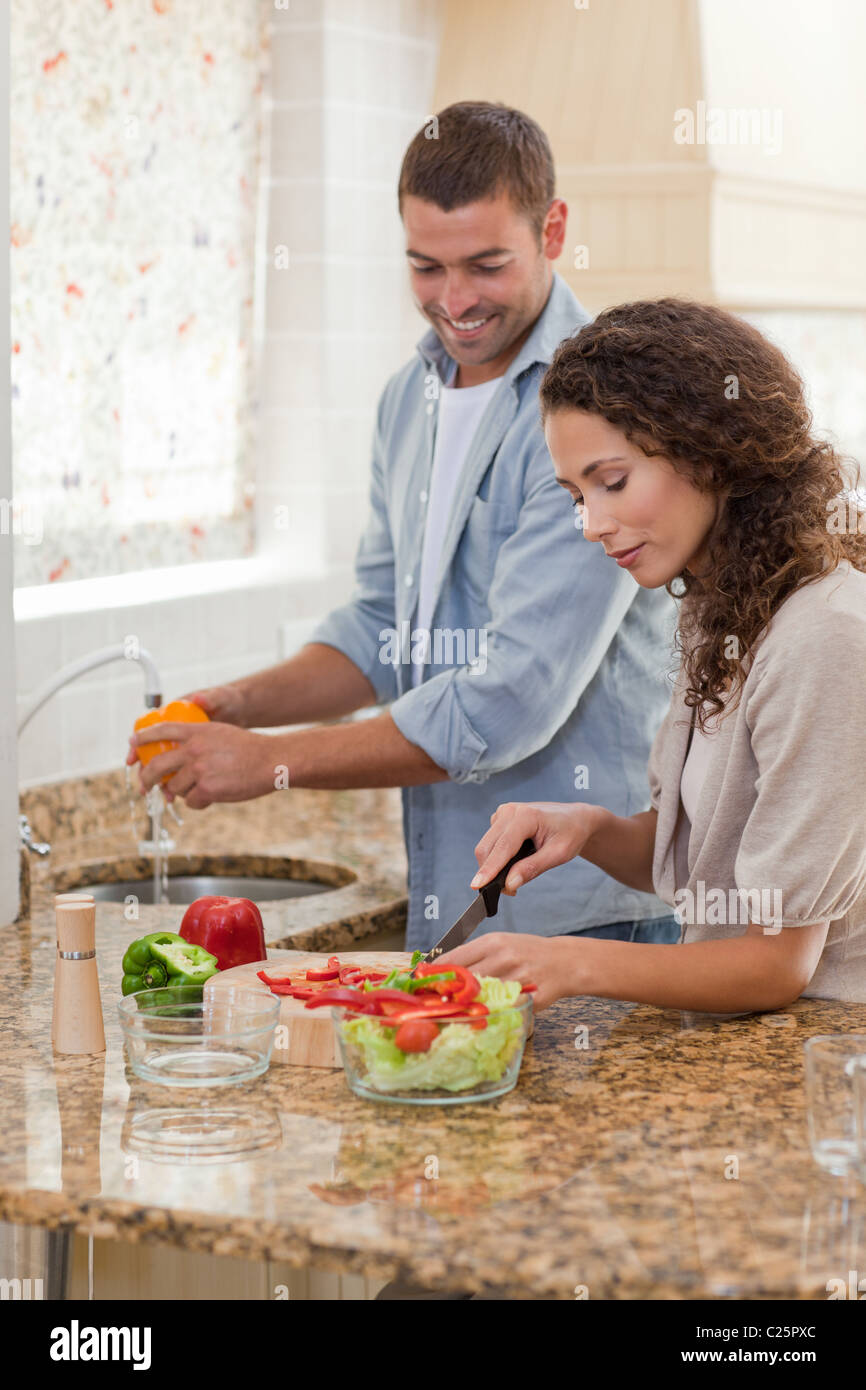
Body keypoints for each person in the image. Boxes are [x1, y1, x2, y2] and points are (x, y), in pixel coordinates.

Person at [129, 103, 679, 951]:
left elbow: (507, 701)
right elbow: (381, 626)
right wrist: (236, 707)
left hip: (590, 918)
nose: (454, 302)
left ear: (554, 229)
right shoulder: (408, 400)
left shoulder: (600, 408)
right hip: (452, 901)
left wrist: (269, 766)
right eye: (426, 267)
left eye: (486, 265)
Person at [437, 297, 866, 1009]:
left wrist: (571, 963)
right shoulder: (721, 605)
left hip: (824, 1056)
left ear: (709, 447)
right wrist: (588, 829)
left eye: (612, 483)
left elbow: (775, 961)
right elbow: (713, 876)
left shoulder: (825, 636)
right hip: (739, 1053)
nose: (591, 525)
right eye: (576, 495)